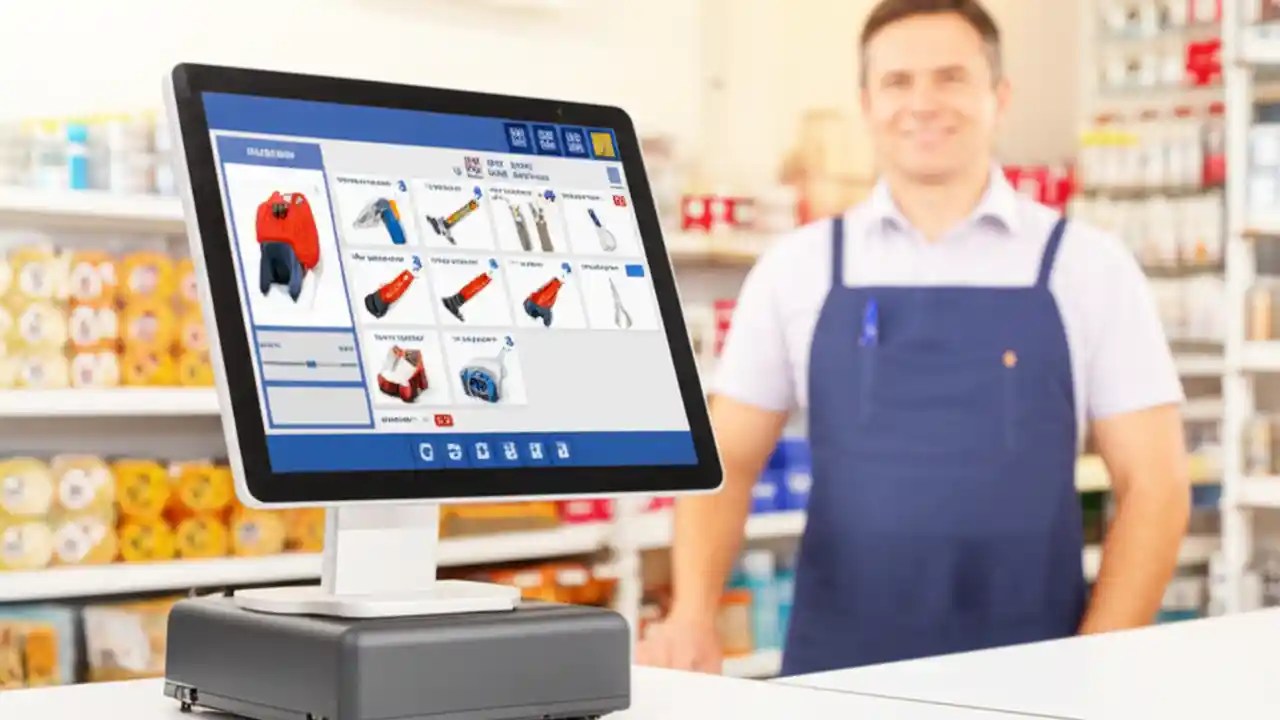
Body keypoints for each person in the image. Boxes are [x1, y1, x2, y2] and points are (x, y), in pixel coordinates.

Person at [637, 0, 1191, 676]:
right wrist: (691, 614)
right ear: (867, 103)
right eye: (898, 82)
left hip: (1039, 671)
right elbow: (723, 463)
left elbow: (1156, 488)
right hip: (836, 674)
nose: (923, 102)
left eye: (951, 77)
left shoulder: (1090, 268)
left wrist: (1093, 666)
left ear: (999, 95)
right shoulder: (798, 268)